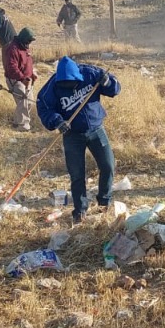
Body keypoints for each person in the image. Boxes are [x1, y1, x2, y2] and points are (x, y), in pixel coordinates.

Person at [36, 56, 122, 225]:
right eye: (65, 85)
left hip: (96, 130)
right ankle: (80, 210)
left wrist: (107, 83)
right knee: (77, 175)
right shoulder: (52, 86)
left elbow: (115, 89)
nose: (70, 87)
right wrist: (57, 121)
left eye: (73, 83)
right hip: (72, 135)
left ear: (78, 77)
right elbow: (44, 108)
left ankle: (104, 201)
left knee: (108, 166)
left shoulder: (90, 74)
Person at [2, 27, 38, 131]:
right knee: (23, 100)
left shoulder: (25, 46)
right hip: (15, 79)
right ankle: (23, 127)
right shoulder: (13, 49)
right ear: (23, 38)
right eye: (29, 40)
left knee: (29, 101)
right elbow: (12, 67)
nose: (29, 43)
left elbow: (28, 62)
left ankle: (17, 122)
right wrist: (22, 79)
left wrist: (32, 73)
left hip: (26, 79)